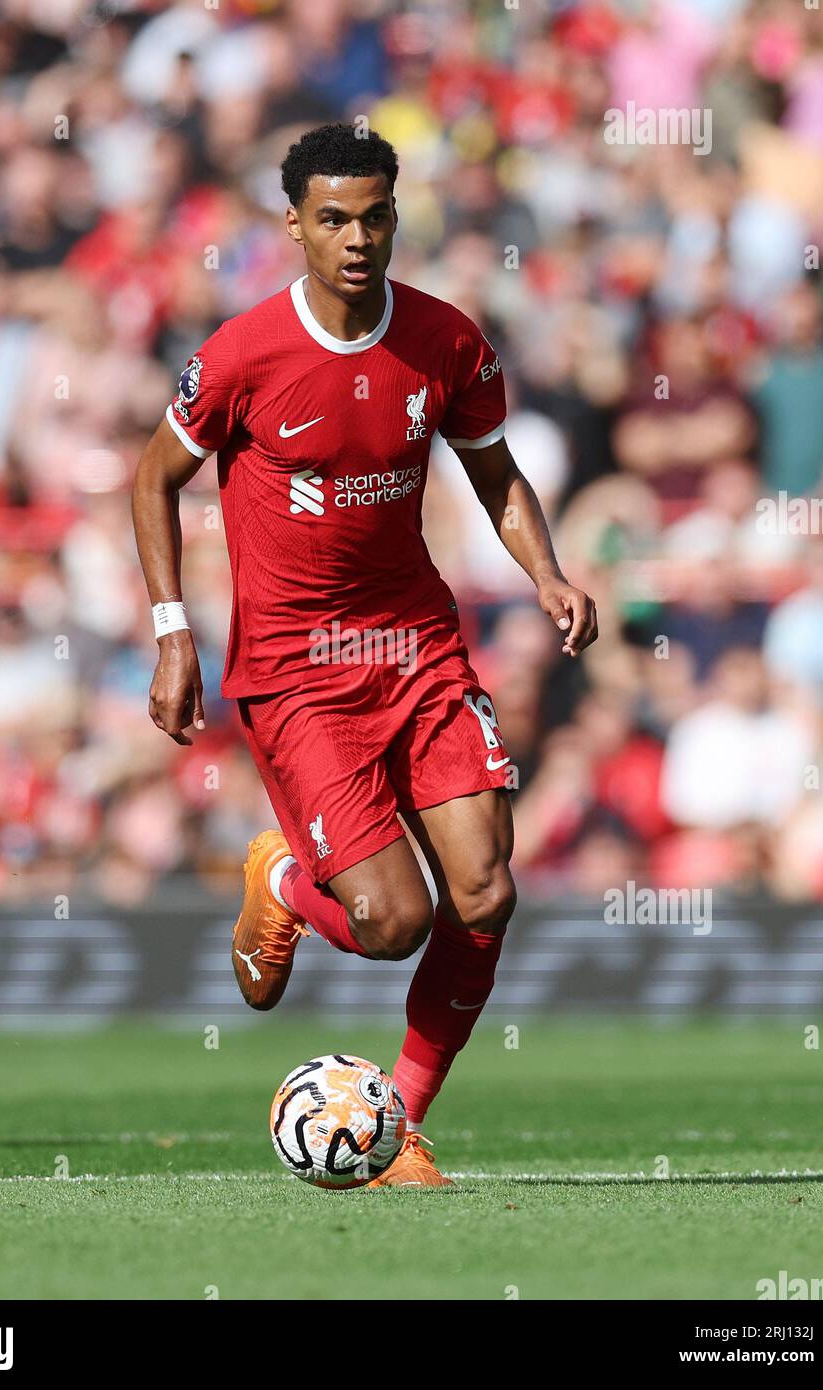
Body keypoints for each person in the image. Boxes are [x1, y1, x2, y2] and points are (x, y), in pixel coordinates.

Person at [131, 123, 597, 1186]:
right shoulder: (244, 355)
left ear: (398, 215)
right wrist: (172, 633)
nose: (356, 237)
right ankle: (287, 881)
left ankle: (408, 1129)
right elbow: (150, 478)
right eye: (333, 218)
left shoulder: (447, 343)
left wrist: (549, 574)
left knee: (485, 894)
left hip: (418, 647)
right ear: (293, 224)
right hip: (298, 674)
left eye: (375, 215)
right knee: (394, 923)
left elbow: (496, 472)